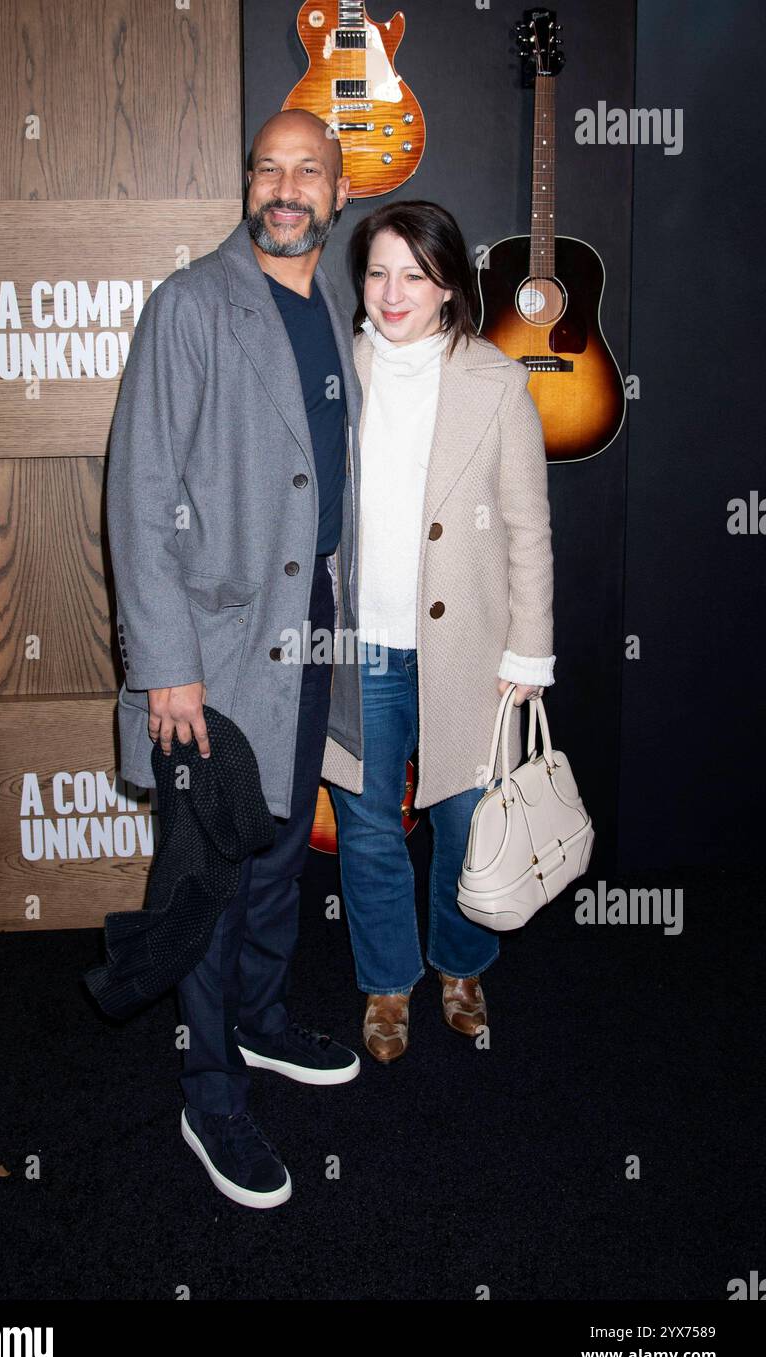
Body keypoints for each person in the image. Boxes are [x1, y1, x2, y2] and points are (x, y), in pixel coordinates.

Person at [106, 110, 365, 1208]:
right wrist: (168, 666)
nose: (287, 187)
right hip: (207, 659)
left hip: (305, 632)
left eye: (310, 170)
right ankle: (208, 1089)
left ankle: (260, 1024)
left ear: (338, 192)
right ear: (248, 184)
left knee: (274, 857)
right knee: (207, 880)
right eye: (270, 168)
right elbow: (135, 497)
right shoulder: (190, 305)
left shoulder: (339, 308)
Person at [322, 201, 555, 1062]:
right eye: (379, 272)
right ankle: (387, 986)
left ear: (449, 286)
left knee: (465, 823)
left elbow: (529, 527)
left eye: (414, 275)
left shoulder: (496, 381)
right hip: (360, 647)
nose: (393, 292)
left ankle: (461, 965)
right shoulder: (333, 370)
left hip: (467, 654)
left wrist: (529, 650)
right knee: (370, 825)